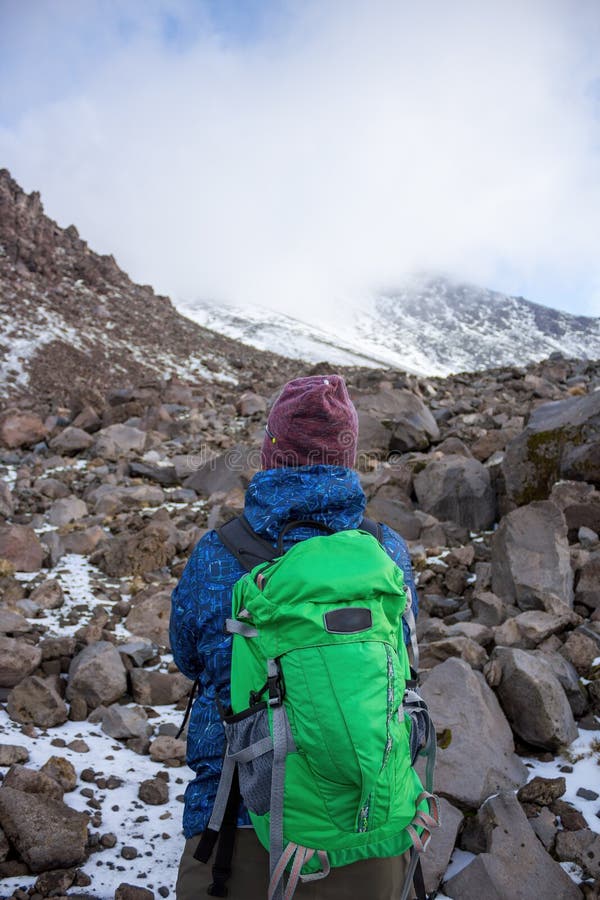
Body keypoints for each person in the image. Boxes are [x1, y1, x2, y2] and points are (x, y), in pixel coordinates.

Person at [170, 374, 419, 900]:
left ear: (270, 450)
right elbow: (405, 658)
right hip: (368, 825)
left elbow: (188, 657)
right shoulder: (387, 552)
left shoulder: (217, 554)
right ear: (347, 455)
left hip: (237, 821)